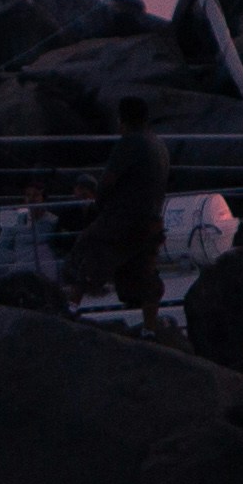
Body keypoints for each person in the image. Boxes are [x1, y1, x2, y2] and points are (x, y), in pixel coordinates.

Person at [73, 115, 175, 328]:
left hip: (126, 220)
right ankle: (150, 326)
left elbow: (109, 180)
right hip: (151, 220)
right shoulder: (158, 145)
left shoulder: (129, 144)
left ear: (124, 122)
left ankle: (72, 306)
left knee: (91, 253)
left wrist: (101, 202)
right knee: (146, 273)